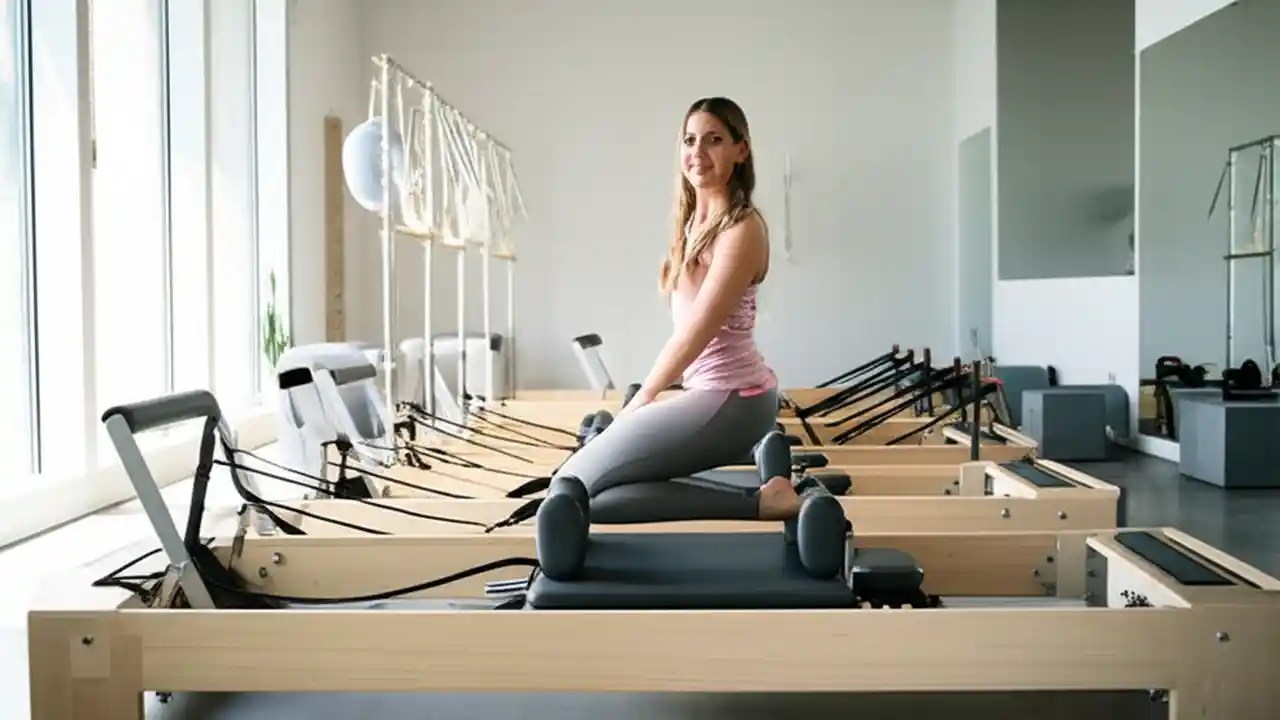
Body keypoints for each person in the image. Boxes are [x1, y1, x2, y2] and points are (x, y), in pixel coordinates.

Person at [552, 97, 801, 520]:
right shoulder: (691, 226)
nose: (697, 153)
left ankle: (760, 504)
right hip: (712, 394)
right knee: (577, 496)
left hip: (735, 399)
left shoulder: (742, 230)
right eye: (689, 140)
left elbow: (694, 334)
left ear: (741, 150)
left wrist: (640, 402)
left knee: (569, 492)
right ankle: (764, 499)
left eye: (714, 140)